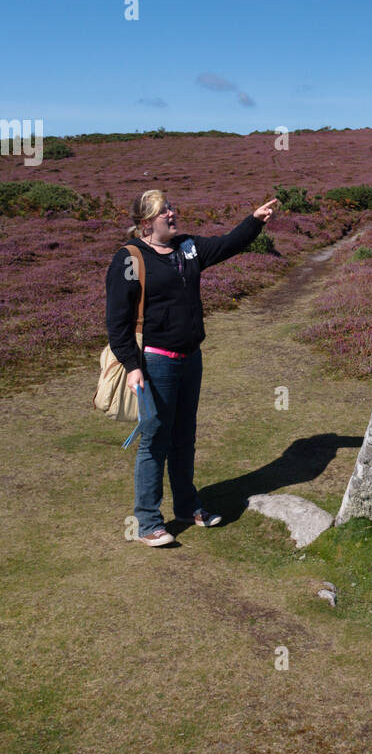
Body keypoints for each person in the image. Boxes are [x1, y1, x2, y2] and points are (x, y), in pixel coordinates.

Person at [105, 189, 279, 547]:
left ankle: (187, 506)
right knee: (155, 440)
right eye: (164, 210)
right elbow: (117, 321)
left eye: (170, 207)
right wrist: (132, 366)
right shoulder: (130, 258)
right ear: (146, 221)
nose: (172, 212)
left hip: (190, 359)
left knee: (185, 438)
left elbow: (228, 244)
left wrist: (254, 220)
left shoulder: (188, 248)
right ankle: (148, 522)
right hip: (155, 361)